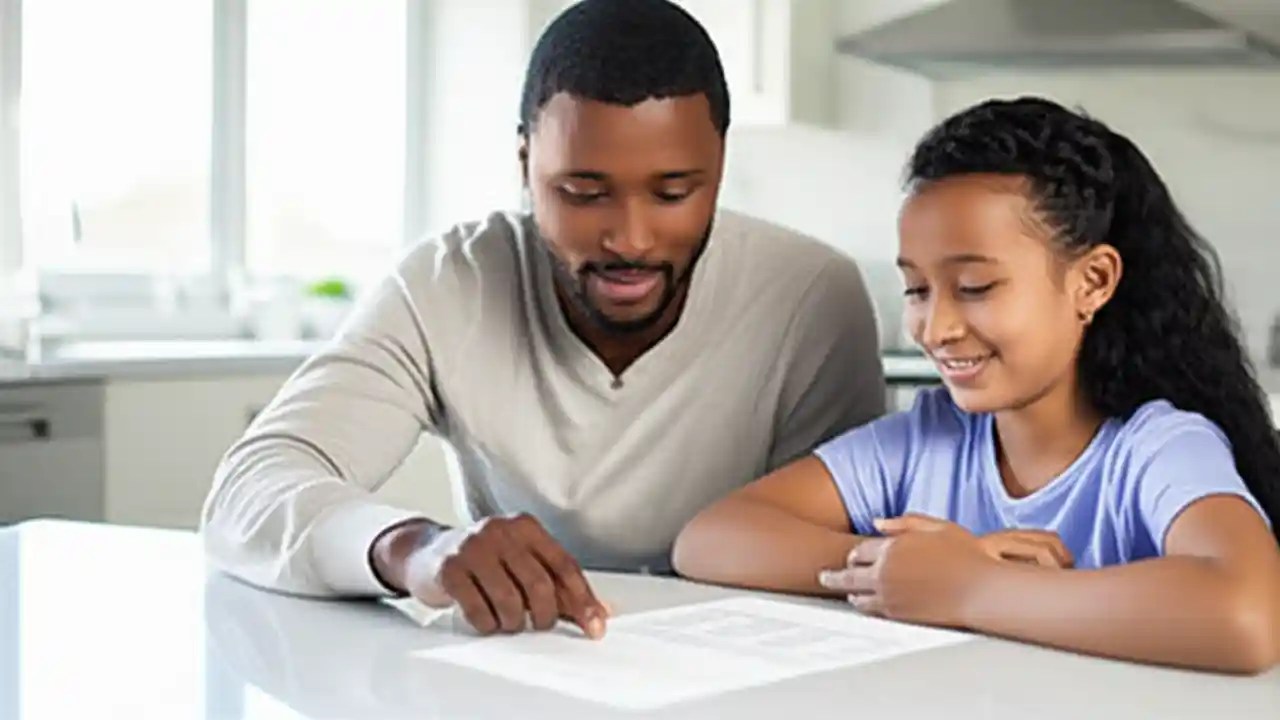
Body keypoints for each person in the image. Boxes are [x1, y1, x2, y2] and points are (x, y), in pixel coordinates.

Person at [201, 0, 884, 640]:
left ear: (721, 163)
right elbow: (249, 490)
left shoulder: (812, 296)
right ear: (525, 162)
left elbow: (834, 553)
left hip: (741, 667)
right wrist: (413, 549)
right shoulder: (445, 286)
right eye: (582, 192)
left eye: (674, 192)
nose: (631, 238)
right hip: (523, 662)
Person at [673, 97, 1280, 674]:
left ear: (1092, 281)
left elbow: (1245, 613)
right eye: (917, 290)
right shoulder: (929, 439)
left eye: (974, 288)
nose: (934, 328)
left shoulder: (1156, 448)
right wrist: (900, 569)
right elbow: (710, 539)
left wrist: (970, 587)